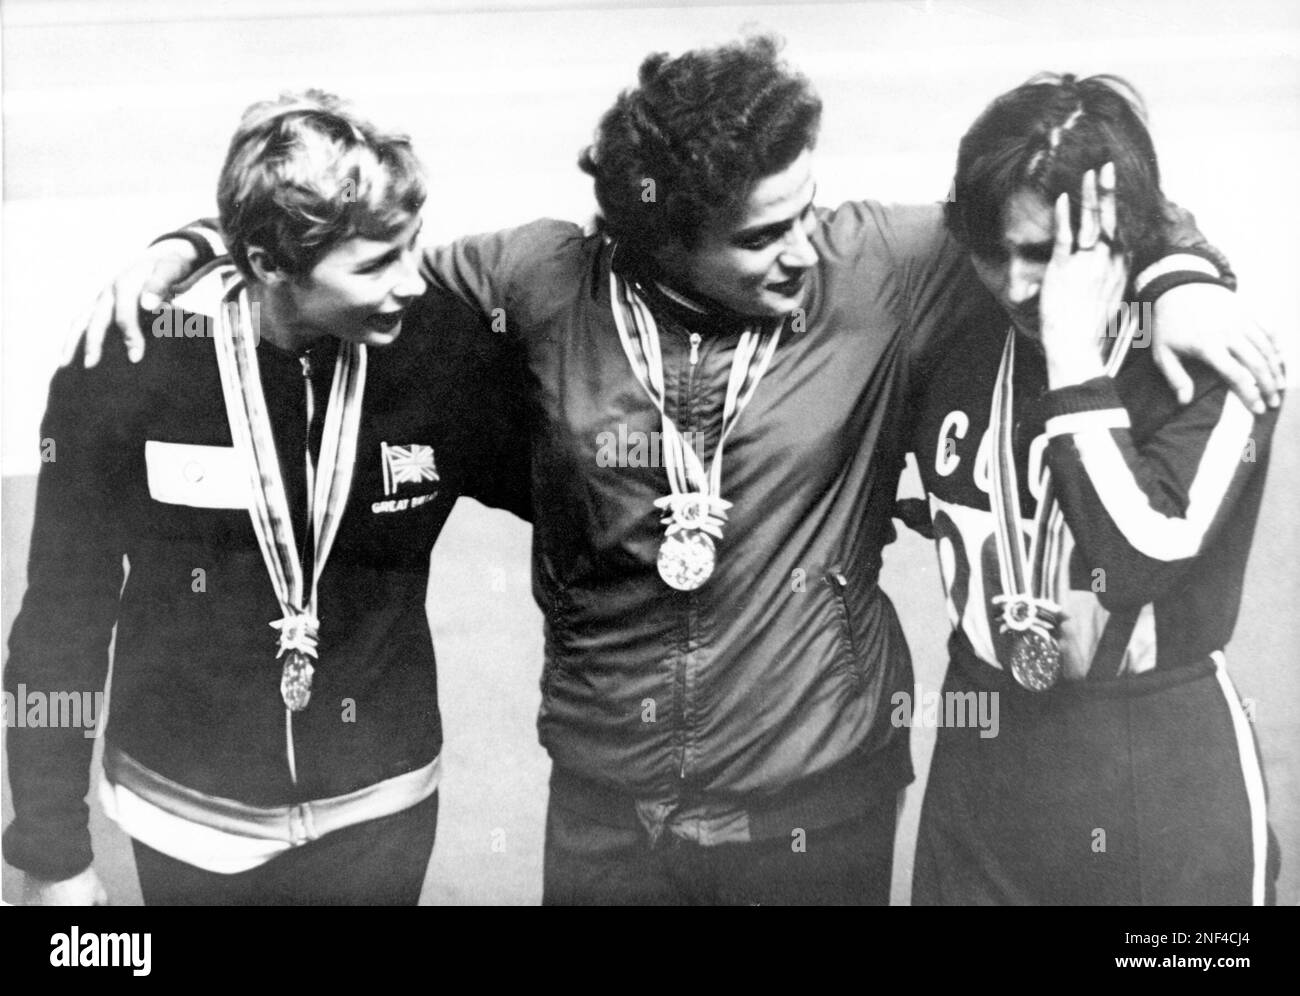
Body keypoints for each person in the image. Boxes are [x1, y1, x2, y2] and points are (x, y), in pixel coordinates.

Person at [69, 37, 1281, 905]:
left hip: (818, 807)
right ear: (661, 236)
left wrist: (1180, 273)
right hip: (608, 817)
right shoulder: (539, 282)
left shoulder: (877, 265)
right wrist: (193, 242)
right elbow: (335, 248)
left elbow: (1051, 203)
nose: (803, 249)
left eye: (804, 212)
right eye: (761, 235)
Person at [4, 91, 528, 905]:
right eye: (373, 263)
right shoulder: (132, 367)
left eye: (410, 249)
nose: (410, 284)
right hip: (186, 817)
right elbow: (62, 617)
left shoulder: (441, 355)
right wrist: (50, 847)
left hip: (381, 810)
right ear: (271, 264)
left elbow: (572, 497)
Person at [907, 74, 1280, 904]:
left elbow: (1140, 558)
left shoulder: (1215, 361)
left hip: (1160, 760)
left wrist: (1077, 360)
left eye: (1044, 255)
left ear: (1122, 237)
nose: (1013, 285)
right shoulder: (950, 331)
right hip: (983, 739)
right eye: (991, 251)